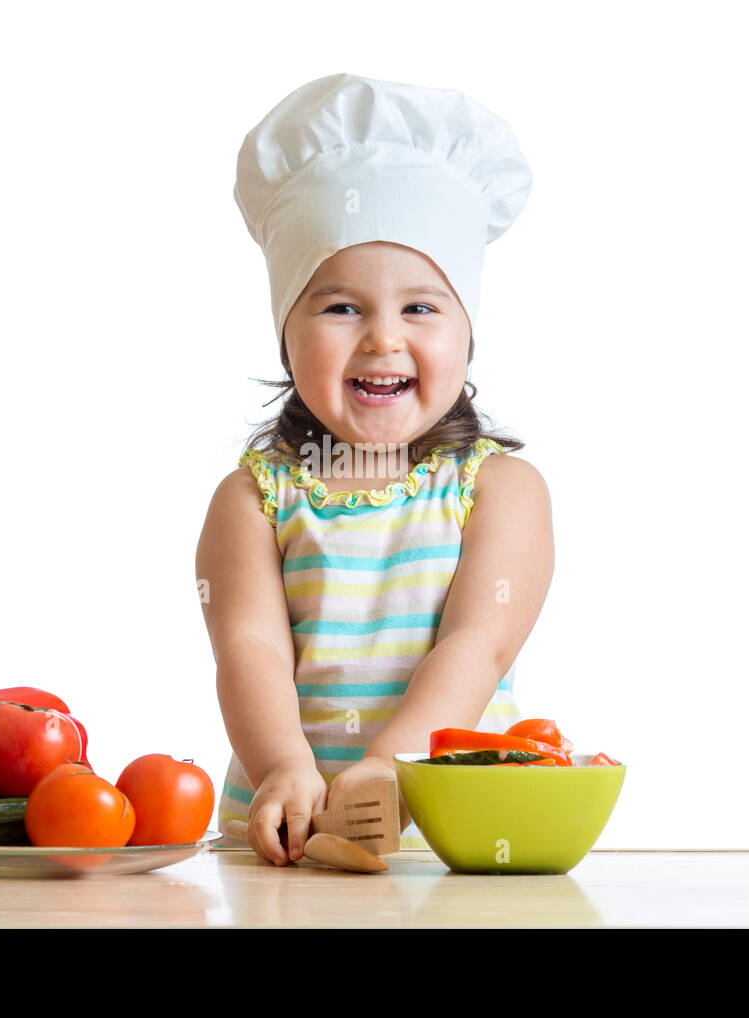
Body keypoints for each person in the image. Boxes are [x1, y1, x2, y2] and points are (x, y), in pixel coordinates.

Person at [197, 72, 554, 865]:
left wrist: (389, 770)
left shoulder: (499, 490)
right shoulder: (255, 499)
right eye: (340, 307)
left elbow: (477, 645)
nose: (383, 339)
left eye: (421, 307)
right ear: (285, 331)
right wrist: (285, 769)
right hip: (286, 834)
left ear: (468, 329)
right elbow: (248, 647)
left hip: (452, 835)